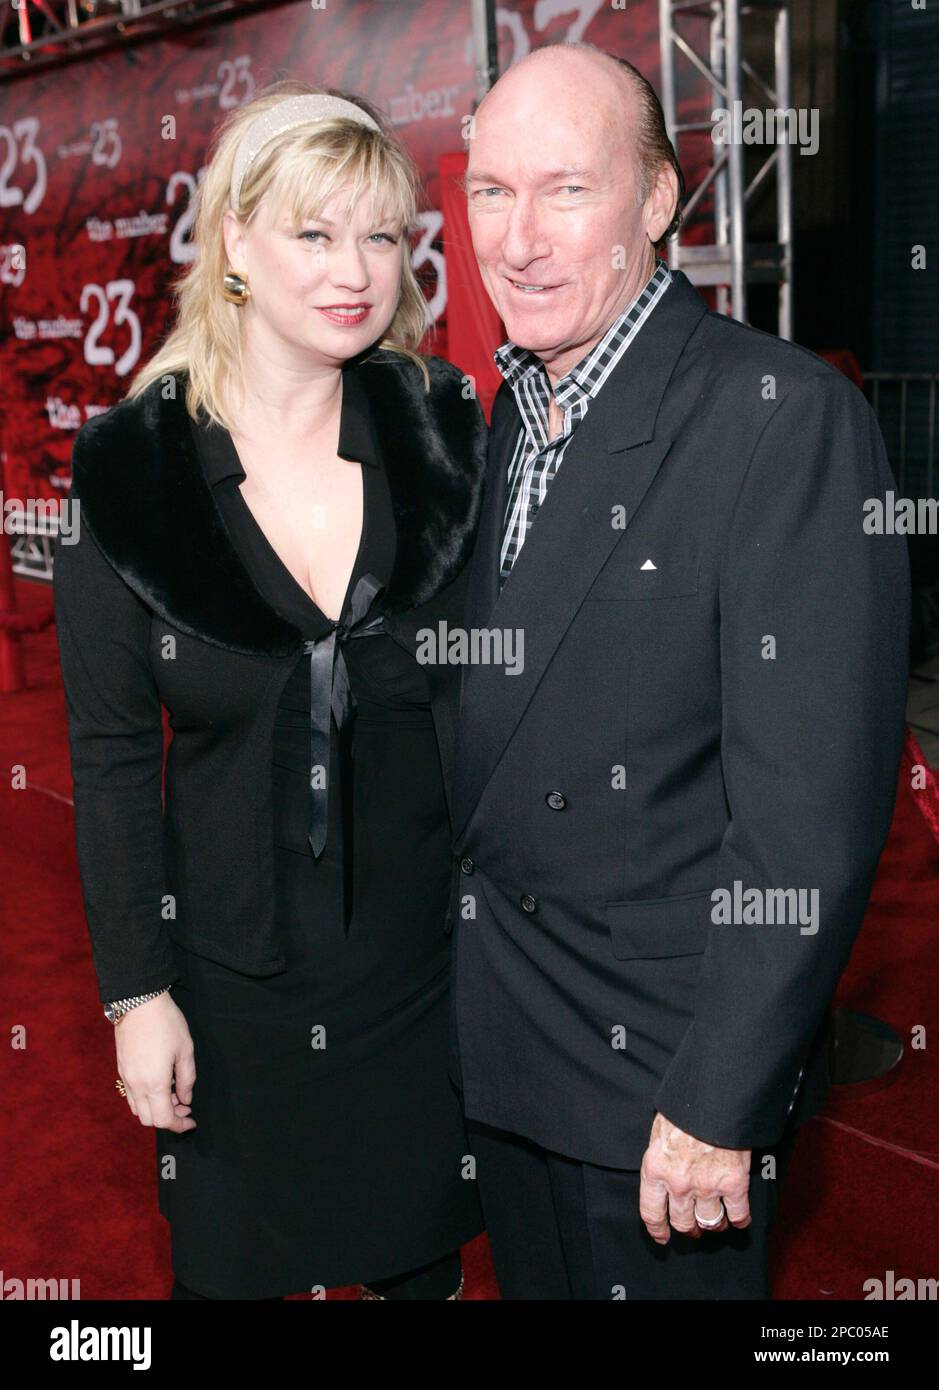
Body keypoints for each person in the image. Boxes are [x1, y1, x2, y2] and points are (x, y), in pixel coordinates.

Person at [448, 42, 910, 1299]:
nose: (520, 239)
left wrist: (721, 1095)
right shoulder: (508, 411)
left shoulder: (783, 420)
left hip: (661, 1097)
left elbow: (811, 818)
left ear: (658, 201)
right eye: (491, 193)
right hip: (504, 1053)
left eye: (566, 190)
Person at [53, 79, 486, 1300]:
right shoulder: (130, 468)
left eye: (382, 234)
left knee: (423, 1272)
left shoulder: (439, 426)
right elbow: (110, 757)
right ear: (235, 239)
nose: (358, 270)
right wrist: (137, 994)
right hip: (230, 982)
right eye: (314, 231)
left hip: (423, 973)